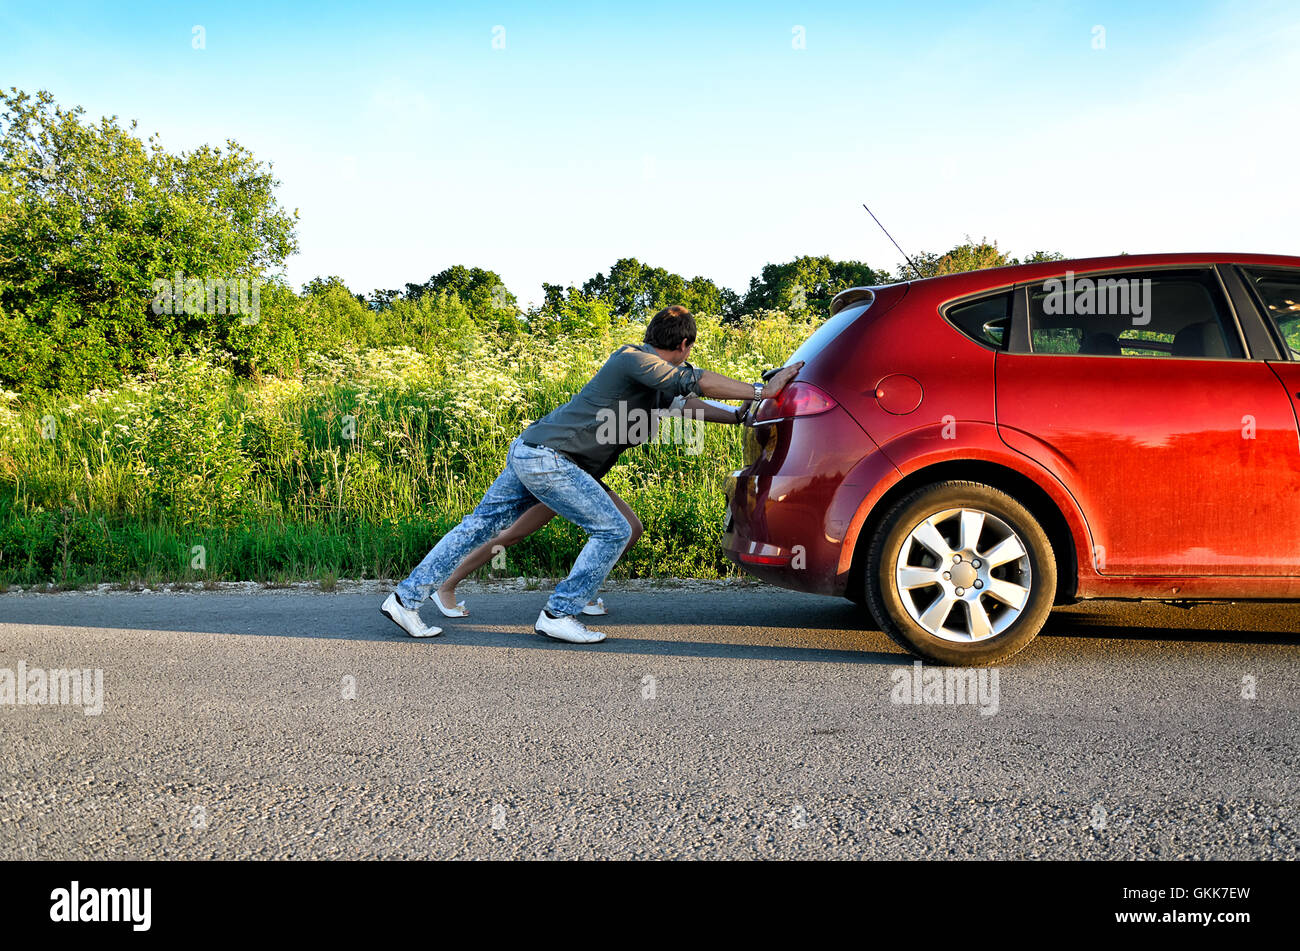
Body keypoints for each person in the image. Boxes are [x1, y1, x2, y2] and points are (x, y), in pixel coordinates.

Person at [381, 304, 802, 644]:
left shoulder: (650, 378)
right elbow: (697, 383)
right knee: (613, 530)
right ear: (686, 345)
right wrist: (768, 389)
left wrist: (739, 415)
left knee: (480, 526)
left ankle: (405, 599)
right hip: (551, 459)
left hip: (537, 453)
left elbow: (687, 405)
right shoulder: (633, 359)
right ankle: (559, 613)